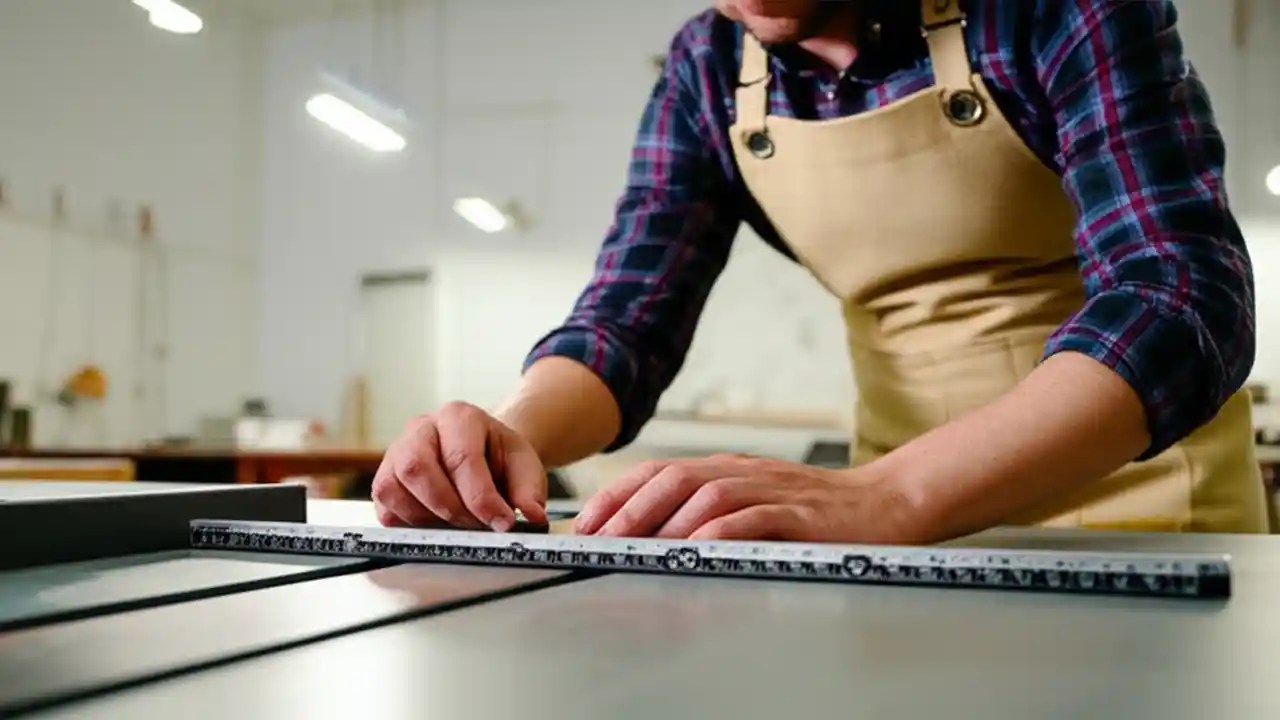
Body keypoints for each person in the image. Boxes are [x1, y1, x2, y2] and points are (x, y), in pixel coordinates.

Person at [371, 0, 1271, 543]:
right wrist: (509, 435)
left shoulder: (1050, 9)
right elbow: (626, 324)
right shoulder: (707, 68)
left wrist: (893, 496)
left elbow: (1178, 297)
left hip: (1151, 517)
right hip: (892, 533)